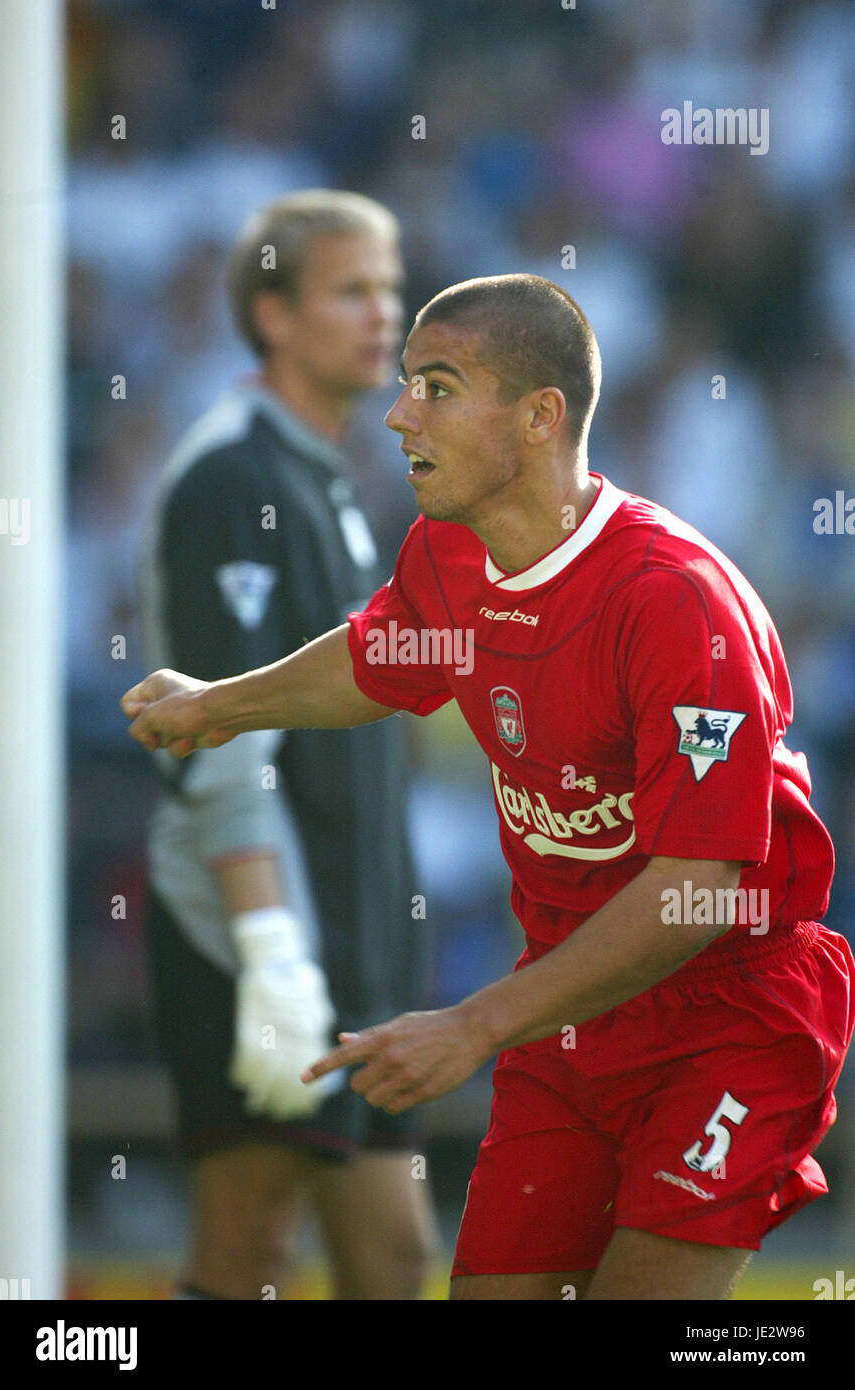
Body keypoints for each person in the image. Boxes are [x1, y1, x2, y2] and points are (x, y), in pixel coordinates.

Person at [124, 273, 854, 1301]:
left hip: (725, 1015)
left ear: (539, 415)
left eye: (436, 385)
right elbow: (375, 658)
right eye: (405, 383)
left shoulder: (673, 604)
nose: (394, 412)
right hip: (564, 1008)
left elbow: (699, 885)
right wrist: (220, 704)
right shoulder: (449, 554)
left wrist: (472, 1023)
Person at [135, 190, 435, 1301]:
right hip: (260, 936)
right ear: (271, 314)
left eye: (388, 287)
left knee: (391, 1257)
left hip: (349, 946)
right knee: (245, 1253)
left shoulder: (327, 473)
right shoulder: (232, 478)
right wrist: (266, 947)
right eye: (350, 288)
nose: (382, 314)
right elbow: (220, 729)